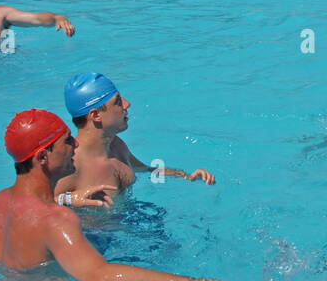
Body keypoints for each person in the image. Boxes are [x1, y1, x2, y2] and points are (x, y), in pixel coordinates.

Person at [0, 110, 222, 281]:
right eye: (67, 141)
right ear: (43, 157)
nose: (75, 144)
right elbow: (100, 277)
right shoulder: (55, 219)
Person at [54, 73, 216, 197]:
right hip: (96, 237)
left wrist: (186, 176)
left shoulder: (116, 146)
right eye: (117, 101)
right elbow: (37, 207)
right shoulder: (70, 166)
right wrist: (66, 200)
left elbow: (146, 169)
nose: (127, 104)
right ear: (95, 115)